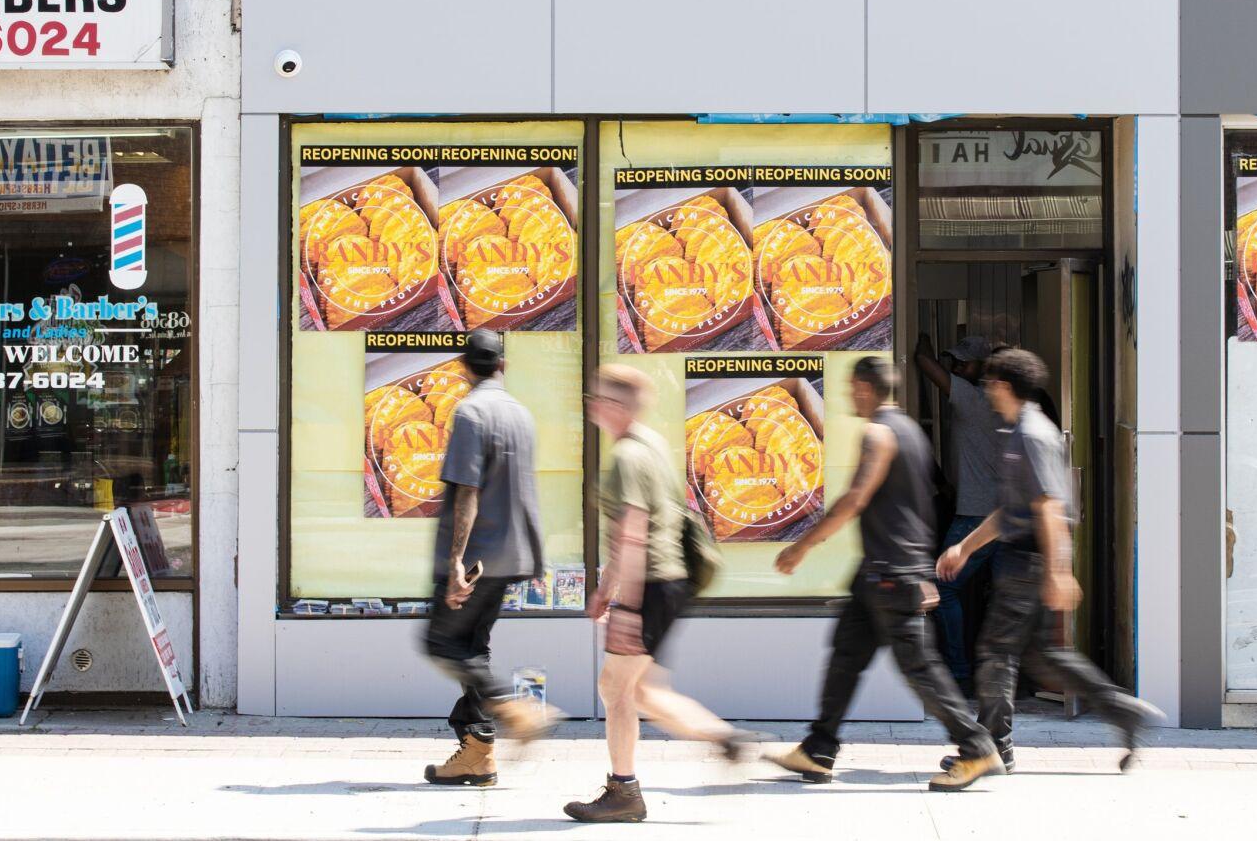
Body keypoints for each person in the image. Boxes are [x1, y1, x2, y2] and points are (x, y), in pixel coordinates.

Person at [769, 357, 1003, 793]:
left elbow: (856, 498)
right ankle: (818, 749)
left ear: (862, 387)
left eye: (850, 388)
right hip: (879, 571)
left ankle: (976, 747)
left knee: (920, 669)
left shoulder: (878, 433)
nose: (846, 396)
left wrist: (802, 545)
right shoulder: (912, 431)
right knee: (845, 658)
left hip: (891, 572)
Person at [937, 347, 1161, 773]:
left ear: (1003, 386)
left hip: (1028, 560)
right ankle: (1123, 712)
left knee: (996, 652)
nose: (985, 392)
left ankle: (992, 748)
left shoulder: (1032, 433)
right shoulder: (1017, 431)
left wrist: (1059, 571)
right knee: (1043, 655)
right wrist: (965, 548)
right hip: (1019, 555)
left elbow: (1048, 506)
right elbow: (1010, 511)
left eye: (988, 385)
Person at [565, 365, 756, 824]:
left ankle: (624, 791)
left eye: (597, 397)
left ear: (616, 406)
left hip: (648, 586)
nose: (591, 404)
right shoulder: (650, 445)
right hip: (668, 583)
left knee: (615, 688)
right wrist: (606, 589)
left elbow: (631, 534)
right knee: (644, 692)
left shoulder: (629, 456)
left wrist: (624, 605)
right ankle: (721, 738)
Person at [422, 328, 558, 788]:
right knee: (472, 649)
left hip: (477, 558)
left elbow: (469, 490)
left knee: (441, 644)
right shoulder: (519, 413)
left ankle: (512, 709)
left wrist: (457, 561)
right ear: (502, 365)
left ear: (465, 368)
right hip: (513, 554)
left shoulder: (472, 412)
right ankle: (477, 755)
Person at [913, 333, 1003, 687]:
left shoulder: (974, 399)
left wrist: (922, 337)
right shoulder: (990, 401)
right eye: (956, 361)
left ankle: (959, 672)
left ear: (983, 368)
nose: (958, 368)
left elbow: (923, 361)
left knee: (942, 587)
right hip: (992, 510)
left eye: (965, 362)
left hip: (978, 514)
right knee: (993, 593)